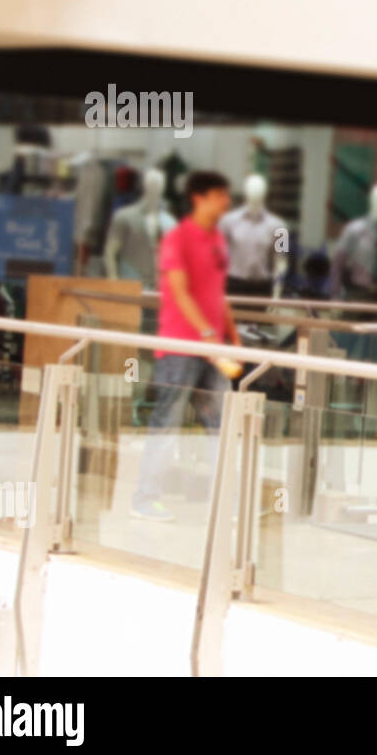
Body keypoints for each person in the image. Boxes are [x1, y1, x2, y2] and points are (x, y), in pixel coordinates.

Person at [131, 171, 239, 522]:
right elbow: (179, 291)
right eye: (220, 195)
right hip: (180, 345)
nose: (226, 202)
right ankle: (144, 500)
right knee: (167, 420)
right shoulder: (177, 239)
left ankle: (226, 501)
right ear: (199, 197)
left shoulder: (218, 240)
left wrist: (232, 336)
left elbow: (217, 293)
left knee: (220, 423)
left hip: (212, 348)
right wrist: (208, 333)